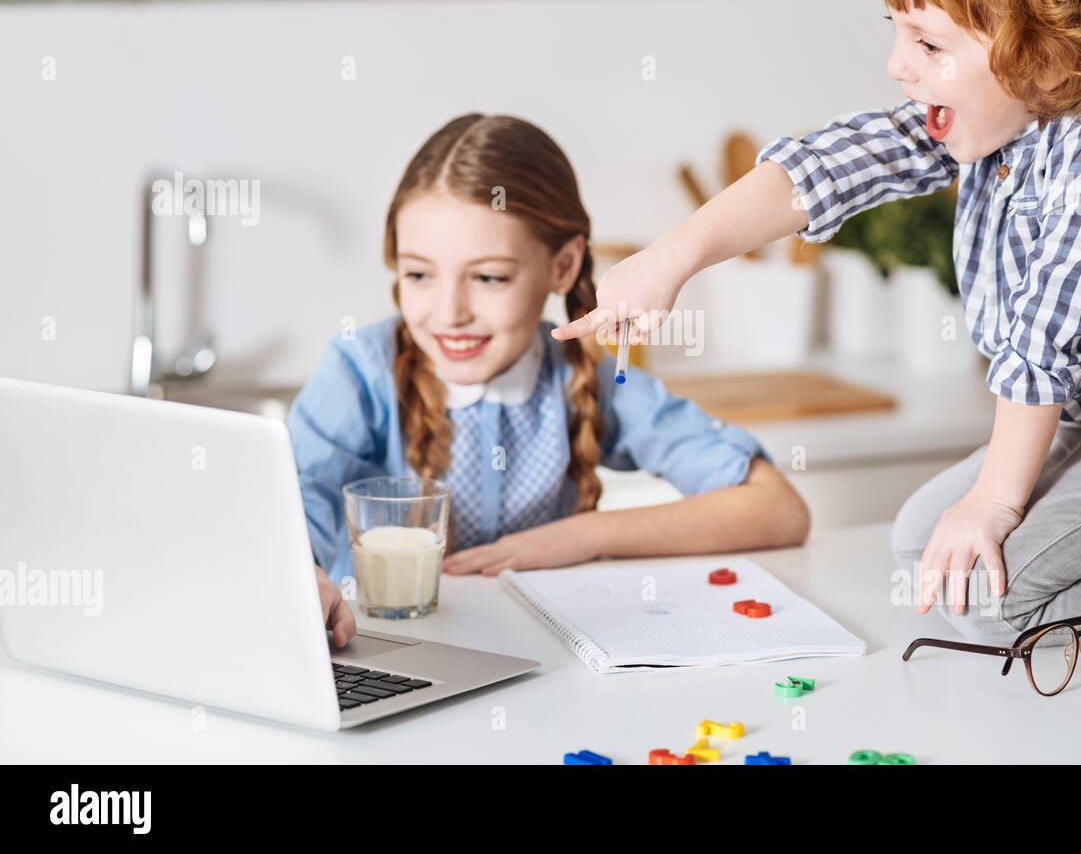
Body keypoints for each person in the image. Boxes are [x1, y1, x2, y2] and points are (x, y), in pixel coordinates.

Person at [551, 0, 1081, 646]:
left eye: (930, 45)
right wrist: (670, 258)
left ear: (1043, 57)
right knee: (923, 547)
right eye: (898, 32)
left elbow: (1048, 339)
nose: (898, 66)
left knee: (986, 601)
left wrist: (997, 502)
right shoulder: (1008, 112)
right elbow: (832, 165)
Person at [295, 114, 811, 647]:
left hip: (545, 668)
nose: (449, 313)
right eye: (419, 274)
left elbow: (778, 509)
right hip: (390, 659)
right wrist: (301, 576)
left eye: (489, 277)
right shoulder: (361, 371)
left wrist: (581, 537)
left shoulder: (582, 376)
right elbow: (288, 517)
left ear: (563, 266)